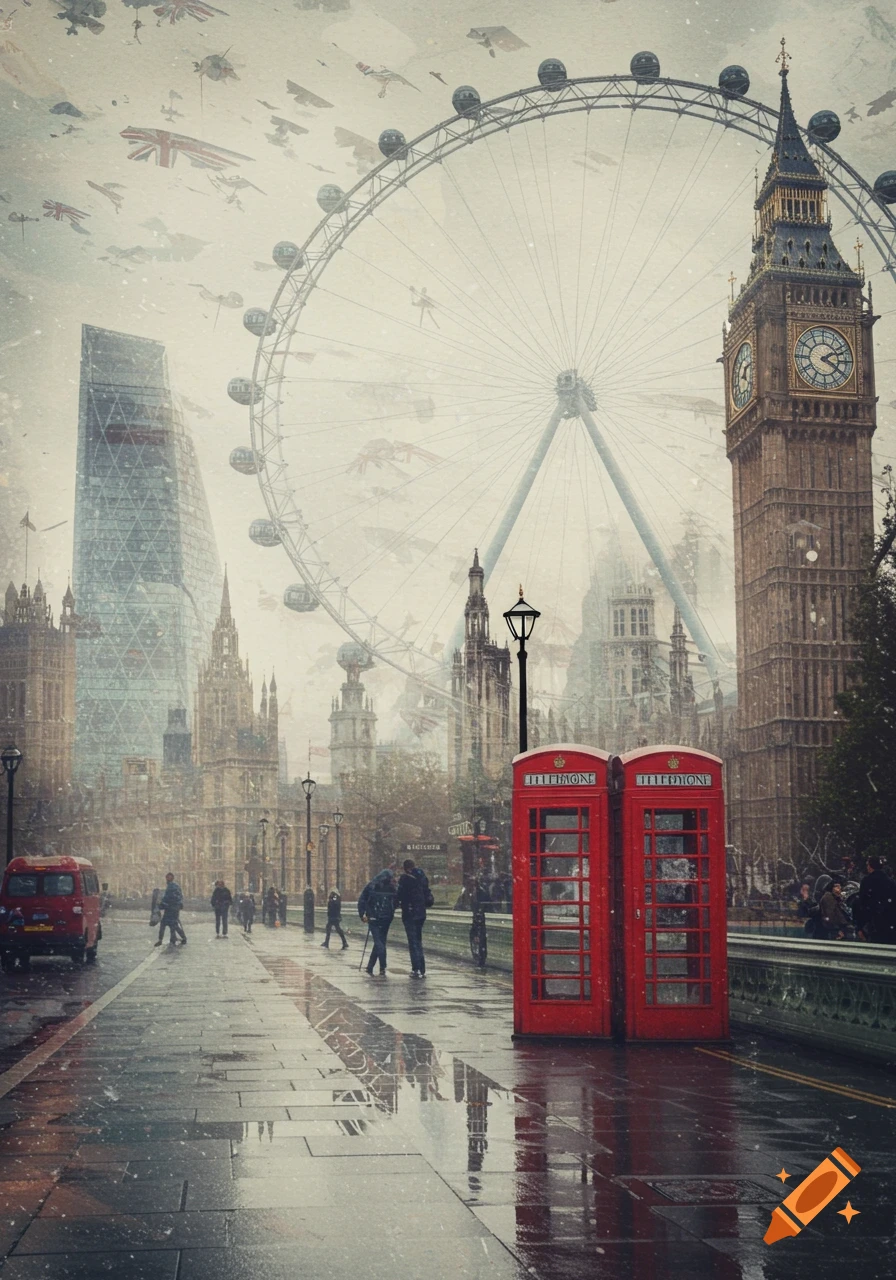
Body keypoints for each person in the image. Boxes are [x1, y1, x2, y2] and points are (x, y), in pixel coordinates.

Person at [358, 869, 397, 976]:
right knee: (381, 941)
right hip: (386, 918)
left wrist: (362, 914)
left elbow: (362, 900)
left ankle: (382, 966)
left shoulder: (371, 885)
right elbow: (396, 901)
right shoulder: (392, 887)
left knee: (378, 942)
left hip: (373, 917)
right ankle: (373, 967)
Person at [397, 858, 430, 978]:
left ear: (405, 868)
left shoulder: (405, 879)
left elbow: (400, 895)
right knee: (418, 940)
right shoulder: (422, 877)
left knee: (412, 941)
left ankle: (415, 968)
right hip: (421, 912)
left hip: (409, 913)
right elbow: (427, 894)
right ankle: (422, 968)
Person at [857, 855, 896, 944]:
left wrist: (860, 926)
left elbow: (862, 904)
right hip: (890, 923)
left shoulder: (866, 881)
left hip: (872, 923)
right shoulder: (890, 882)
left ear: (870, 866)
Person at [154, 872, 186, 946]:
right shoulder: (176, 886)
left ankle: (161, 940)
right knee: (173, 925)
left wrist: (161, 905)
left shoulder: (170, 887)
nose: (166, 879)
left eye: (167, 878)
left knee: (165, 924)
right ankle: (175, 938)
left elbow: (167, 899)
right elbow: (179, 897)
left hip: (170, 909)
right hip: (175, 909)